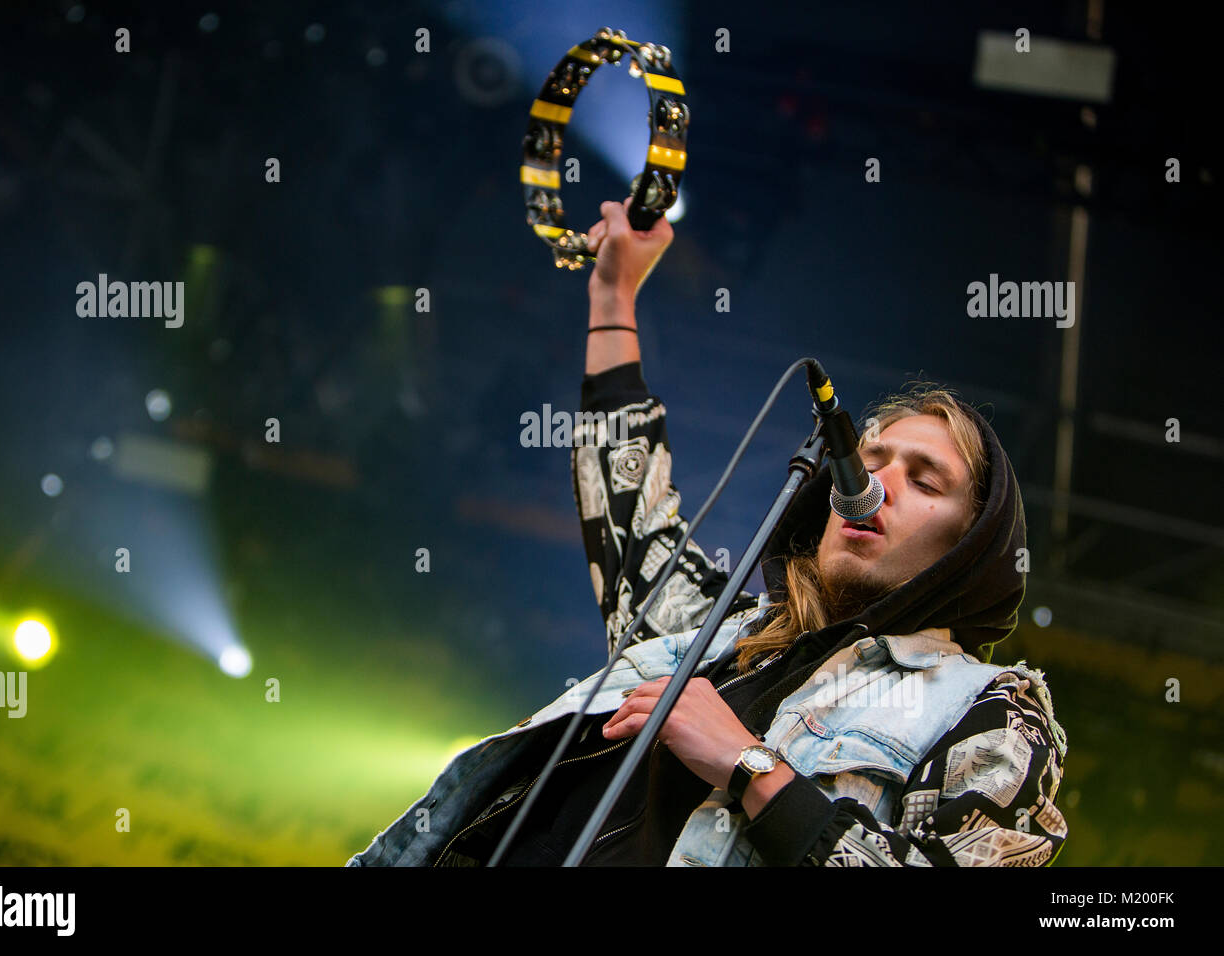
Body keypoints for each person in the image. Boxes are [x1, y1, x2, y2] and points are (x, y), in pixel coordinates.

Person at [346, 197, 1069, 867]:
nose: (871, 484)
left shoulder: (985, 709)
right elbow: (628, 510)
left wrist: (751, 768)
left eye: (924, 479)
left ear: (969, 550)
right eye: (869, 457)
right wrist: (613, 294)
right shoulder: (718, 636)